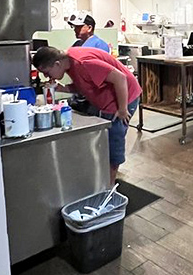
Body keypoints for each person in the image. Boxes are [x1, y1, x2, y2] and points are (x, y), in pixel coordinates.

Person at [33, 45, 141, 179]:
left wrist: (123, 109)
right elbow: (84, 85)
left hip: (124, 97)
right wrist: (62, 88)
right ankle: (102, 177)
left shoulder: (84, 62)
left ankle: (109, 185)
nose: (46, 76)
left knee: (114, 138)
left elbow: (120, 78)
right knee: (102, 140)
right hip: (107, 99)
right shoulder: (69, 62)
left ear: (57, 64)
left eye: (47, 72)